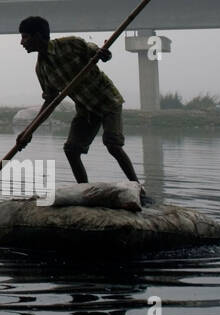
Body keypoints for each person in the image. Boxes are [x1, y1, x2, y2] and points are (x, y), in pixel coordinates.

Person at [18, 15, 146, 198]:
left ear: (38, 36)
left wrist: (104, 55)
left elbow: (98, 53)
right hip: (86, 109)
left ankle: (139, 189)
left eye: (25, 37)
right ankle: (87, 192)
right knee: (71, 149)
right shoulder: (42, 69)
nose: (22, 42)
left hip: (107, 101)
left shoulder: (70, 44)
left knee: (112, 145)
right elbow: (50, 102)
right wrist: (28, 131)